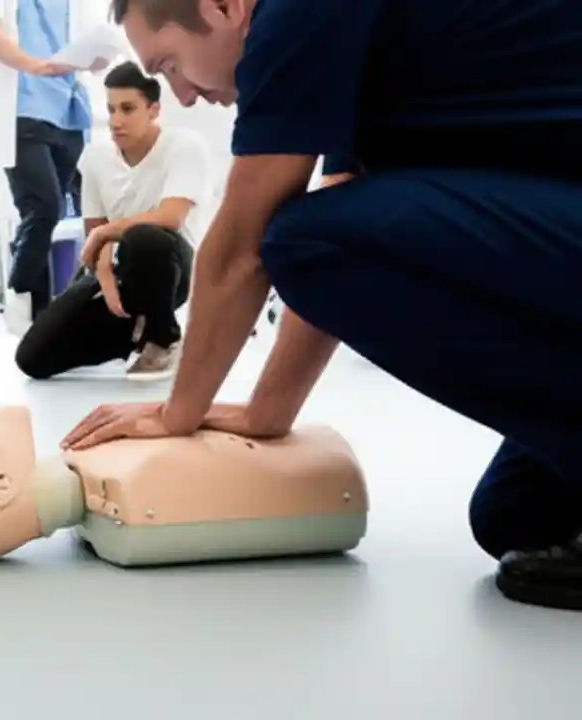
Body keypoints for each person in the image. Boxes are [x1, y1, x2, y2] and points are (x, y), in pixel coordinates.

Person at [63, 0, 582, 611]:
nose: (183, 95)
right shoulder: (348, 55)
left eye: (172, 64)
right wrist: (266, 412)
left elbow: (243, 250)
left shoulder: (298, 12)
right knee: (518, 518)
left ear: (224, 7)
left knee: (298, 239)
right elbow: (345, 246)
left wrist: (180, 412)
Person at [14, 61, 208, 380]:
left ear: (153, 109)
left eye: (128, 109)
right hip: (115, 267)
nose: (116, 121)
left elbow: (170, 217)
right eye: (111, 109)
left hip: (168, 264)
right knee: (32, 359)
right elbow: (95, 230)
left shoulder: (184, 146)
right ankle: (131, 337)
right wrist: (103, 272)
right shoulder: (95, 157)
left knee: (145, 237)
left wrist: (107, 233)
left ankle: (164, 338)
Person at [0, 0, 93, 331]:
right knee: (43, 207)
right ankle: (18, 293)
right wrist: (37, 67)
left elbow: (75, 44)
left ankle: (41, 318)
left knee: (53, 215)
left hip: (66, 111)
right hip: (21, 111)